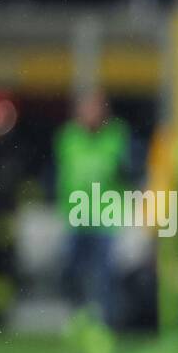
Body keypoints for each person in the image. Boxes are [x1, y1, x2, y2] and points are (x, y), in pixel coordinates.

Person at [55, 90, 130, 327]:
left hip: (105, 219)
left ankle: (107, 323)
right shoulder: (68, 137)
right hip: (75, 217)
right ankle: (78, 320)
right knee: (72, 273)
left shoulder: (116, 136)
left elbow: (126, 170)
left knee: (104, 275)